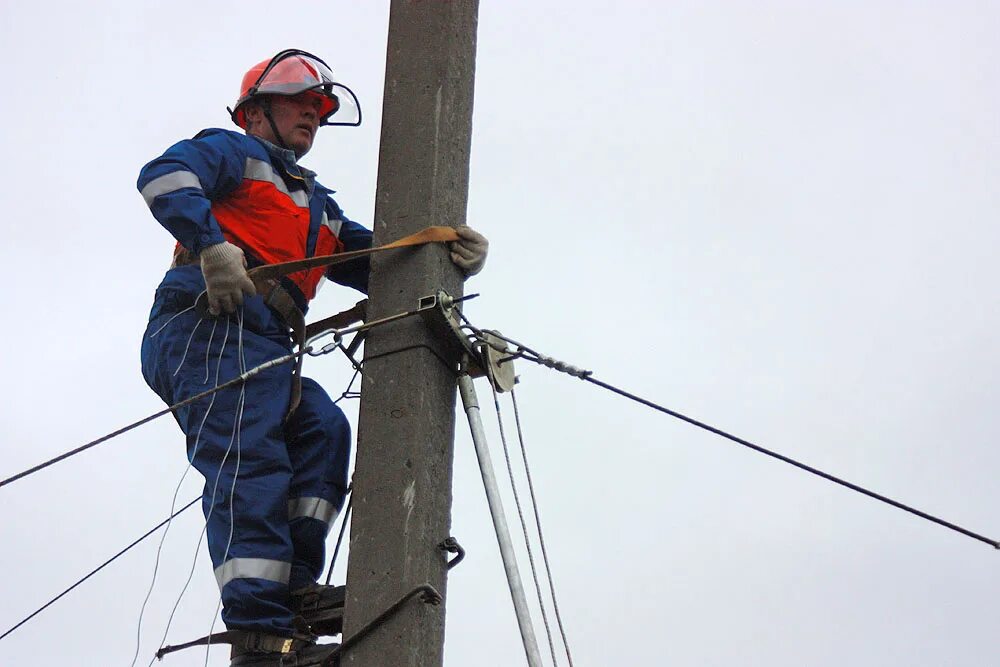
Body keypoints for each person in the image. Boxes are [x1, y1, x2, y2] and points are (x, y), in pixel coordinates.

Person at [137, 49, 487, 666]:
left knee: (322, 432)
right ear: (256, 111)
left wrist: (444, 251)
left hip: (267, 341)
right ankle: (258, 637)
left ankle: (291, 595)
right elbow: (163, 176)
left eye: (321, 109)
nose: (314, 116)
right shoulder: (231, 152)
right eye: (302, 103)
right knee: (251, 456)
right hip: (207, 321)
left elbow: (380, 262)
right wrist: (211, 246)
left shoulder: (318, 207)